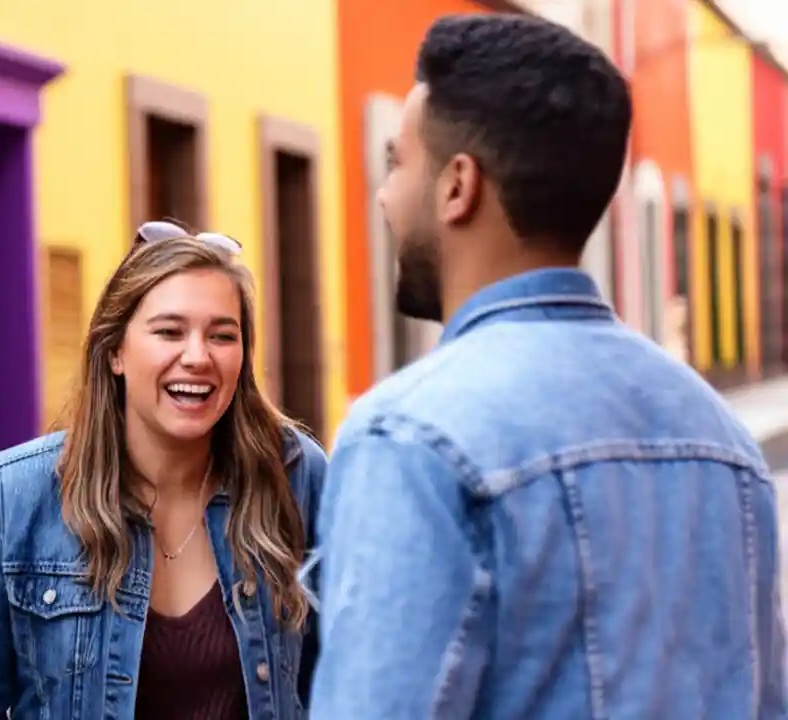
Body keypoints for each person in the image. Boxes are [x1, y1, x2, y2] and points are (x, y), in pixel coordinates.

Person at [311, 13, 785, 719]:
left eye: (396, 163)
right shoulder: (724, 442)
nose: (384, 195)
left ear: (457, 186)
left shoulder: (409, 438)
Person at [0, 220, 327, 719]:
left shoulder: (294, 475)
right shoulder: (12, 497)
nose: (198, 357)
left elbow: (339, 680)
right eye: (169, 332)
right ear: (115, 350)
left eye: (223, 335)